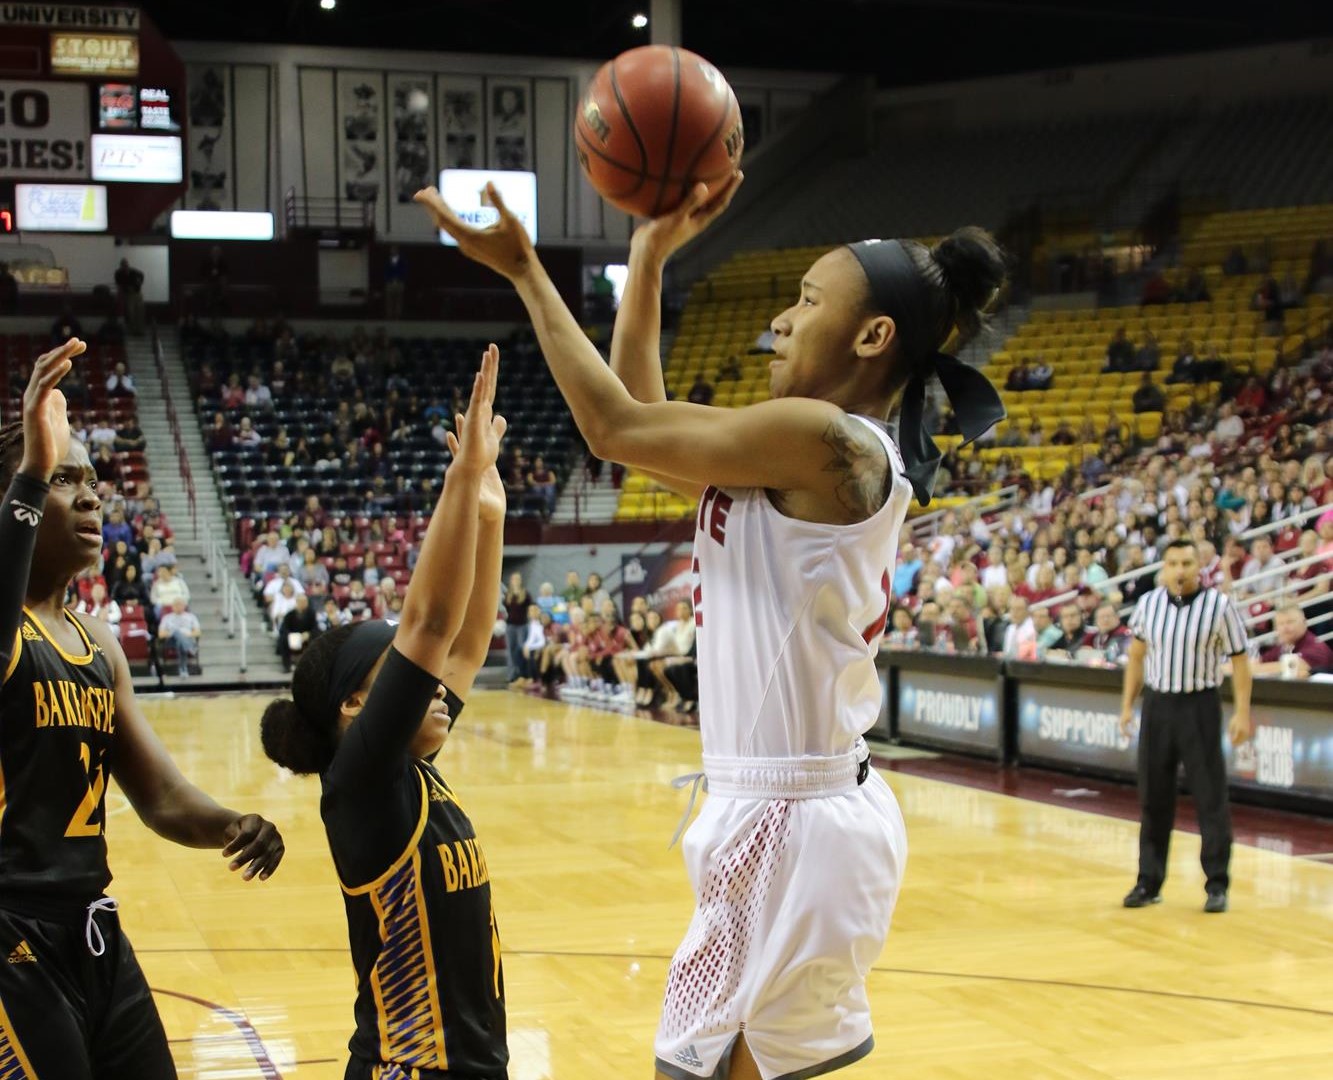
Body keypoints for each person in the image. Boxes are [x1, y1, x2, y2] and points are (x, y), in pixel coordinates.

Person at [416, 175, 1005, 1080]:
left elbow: (613, 424)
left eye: (806, 301)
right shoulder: (795, 454)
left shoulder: (827, 443)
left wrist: (527, 272)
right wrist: (646, 261)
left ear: (871, 336)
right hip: (779, 815)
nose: (779, 318)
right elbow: (642, 419)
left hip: (794, 822)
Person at [0, 339, 283, 1078]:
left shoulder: (99, 646)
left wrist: (230, 823)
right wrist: (31, 469)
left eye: (94, 481)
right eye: (66, 481)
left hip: (93, 927)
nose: (93, 496)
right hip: (9, 938)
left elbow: (156, 794)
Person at [260, 345, 507, 1080]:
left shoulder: (413, 767)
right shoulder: (362, 784)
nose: (438, 687)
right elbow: (431, 626)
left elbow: (464, 644)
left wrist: (488, 516)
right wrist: (459, 483)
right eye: (408, 676)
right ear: (356, 705)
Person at [1121, 539, 1252, 914]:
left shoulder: (1219, 606)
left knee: (1210, 797)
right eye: (1173, 563)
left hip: (1200, 705)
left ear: (1199, 567)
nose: (1180, 570)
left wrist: (1243, 712)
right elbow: (1136, 657)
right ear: (1163, 567)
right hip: (1159, 705)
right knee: (1153, 797)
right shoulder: (1148, 604)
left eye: (1187, 563)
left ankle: (1216, 885)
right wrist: (1127, 706)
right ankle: (1148, 881)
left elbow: (1241, 662)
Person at [1252, 603, 1333, 678]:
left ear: (1304, 622)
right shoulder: (1284, 646)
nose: (1285, 628)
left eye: (1290, 622)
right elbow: (1255, 663)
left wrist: (1257, 668)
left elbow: (1292, 668)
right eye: (1280, 624)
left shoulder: (1316, 647)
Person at [157, 596, 201, 676]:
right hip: (171, 641)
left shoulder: (191, 617)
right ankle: (189, 648)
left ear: (184, 606)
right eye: (176, 605)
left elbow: (198, 632)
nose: (178, 607)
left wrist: (187, 634)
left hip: (187, 639)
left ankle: (183, 669)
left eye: (180, 604)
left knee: (180, 643)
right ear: (172, 607)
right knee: (176, 632)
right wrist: (173, 633)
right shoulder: (167, 618)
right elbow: (160, 634)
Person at [277, 592, 319, 673]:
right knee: (283, 639)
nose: (303, 604)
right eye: (301, 601)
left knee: (316, 638)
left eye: (305, 601)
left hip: (306, 637)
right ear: (297, 602)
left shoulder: (311, 614)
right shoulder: (290, 615)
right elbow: (284, 629)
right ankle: (287, 666)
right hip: (292, 637)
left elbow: (315, 628)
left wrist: (308, 634)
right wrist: (292, 636)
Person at [503, 572, 531, 685]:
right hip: (510, 625)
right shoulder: (508, 595)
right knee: (510, 651)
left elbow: (529, 607)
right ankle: (511, 675)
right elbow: (506, 607)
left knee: (520, 649)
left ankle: (522, 673)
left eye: (517, 579)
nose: (515, 581)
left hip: (522, 625)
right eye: (513, 579)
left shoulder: (525, 594)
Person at [114, 259, 145, 335]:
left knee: (139, 312)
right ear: (121, 267)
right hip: (128, 294)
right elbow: (119, 284)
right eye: (124, 266)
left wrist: (139, 283)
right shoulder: (119, 274)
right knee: (131, 313)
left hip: (137, 293)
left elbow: (141, 275)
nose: (125, 267)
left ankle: (140, 330)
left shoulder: (134, 272)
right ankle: (133, 330)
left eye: (126, 265)